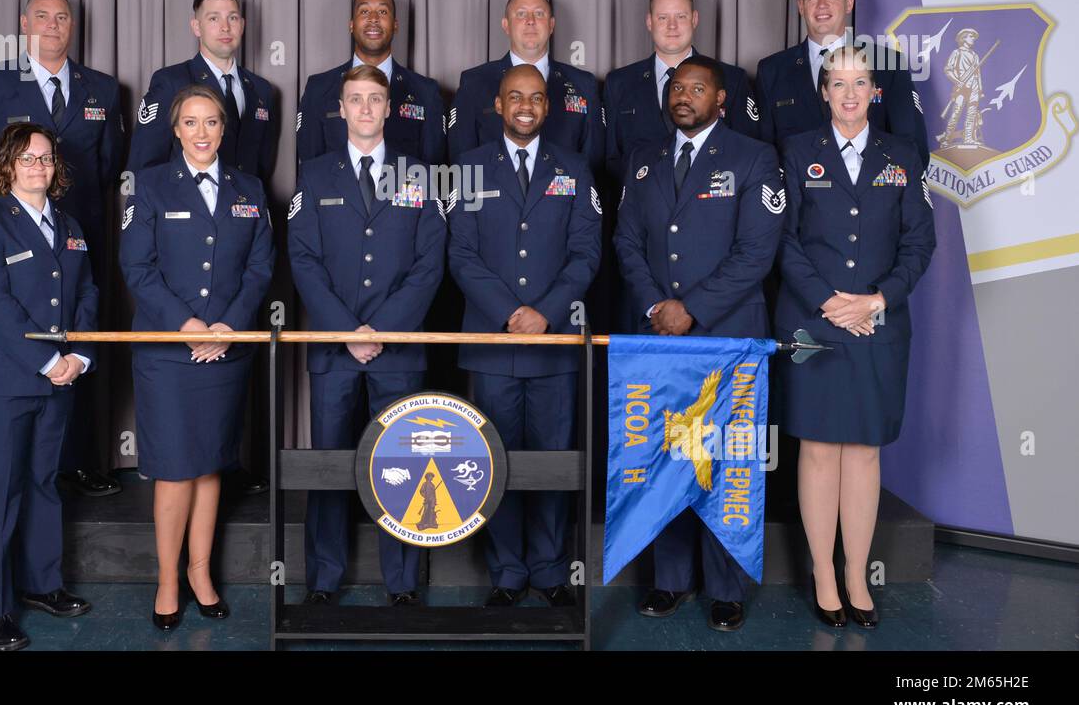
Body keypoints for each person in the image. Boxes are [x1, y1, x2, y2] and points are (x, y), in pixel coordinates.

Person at [614, 57, 785, 632]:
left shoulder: (753, 158)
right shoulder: (645, 159)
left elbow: (756, 253)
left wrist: (694, 309)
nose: (683, 95)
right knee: (666, 457)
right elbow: (627, 243)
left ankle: (726, 586)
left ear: (721, 100)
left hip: (727, 338)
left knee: (724, 460)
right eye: (677, 87)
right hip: (659, 338)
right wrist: (657, 307)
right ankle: (669, 580)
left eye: (697, 88)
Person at [774, 45, 935, 629]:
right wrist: (829, 301)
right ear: (823, 91)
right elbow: (783, 240)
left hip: (877, 321)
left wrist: (876, 300)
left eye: (859, 82)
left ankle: (855, 573)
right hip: (813, 323)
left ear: (874, 91)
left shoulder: (902, 155)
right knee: (818, 449)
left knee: (863, 450)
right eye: (837, 82)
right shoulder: (796, 152)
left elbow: (921, 242)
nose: (848, 93)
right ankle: (822, 573)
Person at [0, 0, 124, 499]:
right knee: (22, 339)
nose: (53, 25)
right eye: (42, 16)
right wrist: (16, 213)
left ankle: (85, 461)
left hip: (78, 240)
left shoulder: (103, 89)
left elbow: (109, 165)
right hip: (15, 243)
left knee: (80, 336)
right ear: (24, 24)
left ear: (73, 27)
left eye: (62, 18)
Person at [288, 65, 446, 606]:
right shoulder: (314, 173)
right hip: (334, 349)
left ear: (388, 107)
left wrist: (383, 329)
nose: (364, 109)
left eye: (374, 99)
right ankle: (324, 581)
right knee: (331, 462)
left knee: (400, 461)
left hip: (398, 347)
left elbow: (430, 264)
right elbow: (303, 260)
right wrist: (346, 330)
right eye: (354, 99)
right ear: (340, 107)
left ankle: (402, 582)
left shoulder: (421, 175)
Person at [119, 84, 275, 628]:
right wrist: (186, 326)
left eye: (211, 122)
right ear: (175, 129)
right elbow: (137, 268)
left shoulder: (250, 188)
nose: (202, 132)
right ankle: (167, 580)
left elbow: (259, 268)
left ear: (224, 128)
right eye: (191, 122)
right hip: (168, 352)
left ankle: (200, 573)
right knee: (174, 468)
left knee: (209, 465)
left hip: (228, 349)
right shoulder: (151, 187)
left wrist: (228, 326)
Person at [448, 64, 601, 607]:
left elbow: (587, 253)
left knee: (554, 460)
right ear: (497, 104)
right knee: (496, 461)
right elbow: (460, 254)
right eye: (515, 96)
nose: (525, 105)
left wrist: (547, 313)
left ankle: (551, 568)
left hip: (554, 346)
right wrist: (511, 311)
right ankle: (508, 571)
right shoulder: (466, 168)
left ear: (547, 106)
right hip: (491, 345)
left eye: (535, 97)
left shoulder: (576, 169)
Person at [0, 122, 98, 651]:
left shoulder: (72, 225)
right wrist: (47, 360)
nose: (38, 167)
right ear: (6, 167)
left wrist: (80, 355)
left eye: (45, 158)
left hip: (61, 378)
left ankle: (43, 584)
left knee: (43, 484)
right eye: (27, 159)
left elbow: (87, 293)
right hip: (1, 381)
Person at [754, 0, 929, 167]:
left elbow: (911, 147)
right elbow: (763, 152)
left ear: (849, 2)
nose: (822, 5)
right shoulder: (772, 70)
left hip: (869, 194)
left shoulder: (888, 64)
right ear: (801, 6)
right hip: (798, 195)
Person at [604, 0, 761, 181]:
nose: (672, 26)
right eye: (663, 17)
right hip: (641, 205)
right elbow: (610, 161)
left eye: (681, 16)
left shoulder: (732, 79)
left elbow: (749, 153)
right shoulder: (619, 83)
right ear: (649, 22)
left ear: (694, 19)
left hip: (713, 205)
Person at [127, 0, 280, 182]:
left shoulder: (261, 90)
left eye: (232, 18)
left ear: (242, 25)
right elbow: (144, 164)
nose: (225, 27)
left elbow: (262, 167)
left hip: (244, 207)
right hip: (185, 206)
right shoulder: (171, 82)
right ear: (197, 27)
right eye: (214, 18)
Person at [448, 0, 604, 170]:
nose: (530, 21)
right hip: (492, 196)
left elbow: (594, 165)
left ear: (551, 25)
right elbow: (461, 160)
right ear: (506, 25)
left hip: (565, 196)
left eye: (539, 14)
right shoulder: (474, 83)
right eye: (521, 14)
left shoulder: (583, 85)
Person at [296, 0, 445, 166]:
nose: (373, 19)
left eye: (382, 12)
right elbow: (310, 168)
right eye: (364, 11)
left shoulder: (426, 92)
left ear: (395, 25)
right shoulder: (318, 89)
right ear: (351, 24)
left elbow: (434, 168)